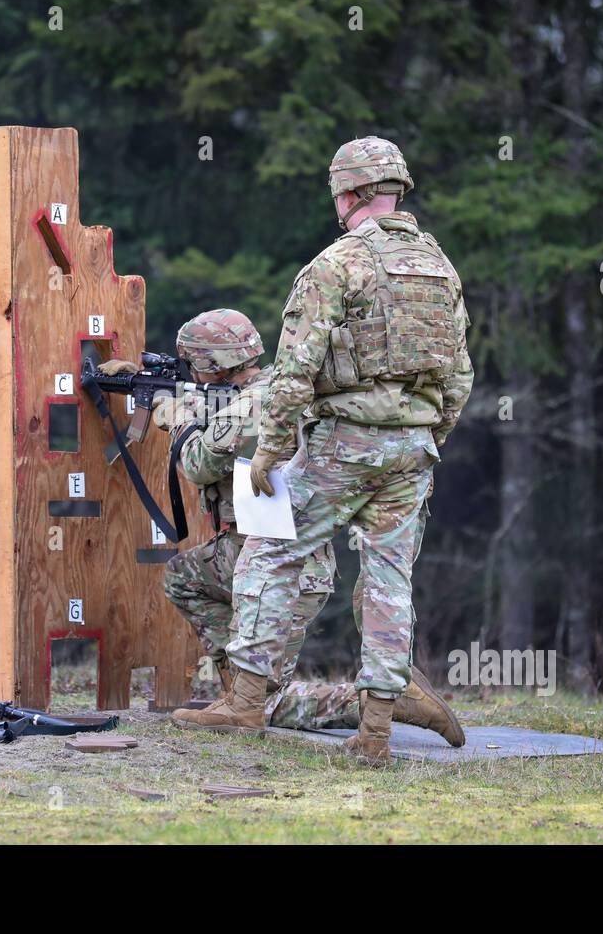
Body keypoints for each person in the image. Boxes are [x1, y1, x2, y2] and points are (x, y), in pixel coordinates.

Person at [170, 137, 474, 766]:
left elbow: (294, 372)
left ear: (349, 194)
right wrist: (427, 438)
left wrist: (271, 454)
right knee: (389, 581)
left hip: (344, 442)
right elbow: (461, 374)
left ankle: (247, 700)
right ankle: (377, 732)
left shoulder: (337, 265)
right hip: (412, 450)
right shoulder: (440, 268)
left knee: (270, 550)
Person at [99, 308, 462, 742]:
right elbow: (214, 410)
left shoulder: (255, 403)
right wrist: (151, 381)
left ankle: (380, 700)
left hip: (279, 567)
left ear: (213, 367)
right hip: (278, 561)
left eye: (195, 364)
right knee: (186, 577)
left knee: (264, 704)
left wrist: (173, 414)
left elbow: (198, 463)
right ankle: (239, 687)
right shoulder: (273, 388)